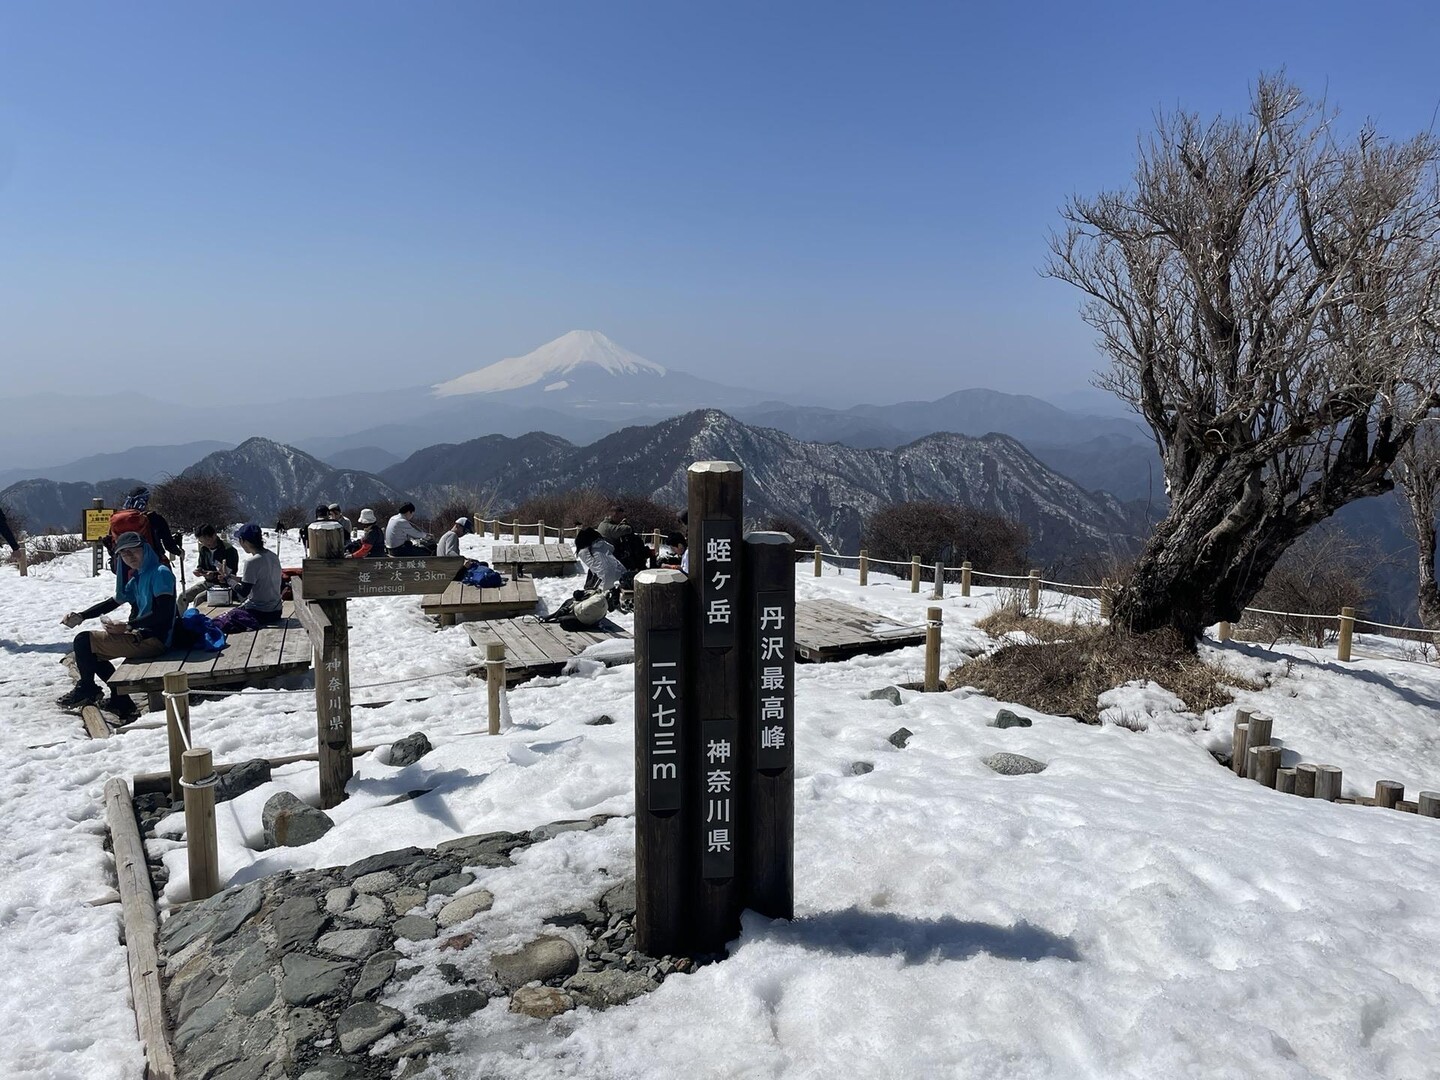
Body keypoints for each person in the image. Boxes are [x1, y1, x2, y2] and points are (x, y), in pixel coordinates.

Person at [58, 531, 176, 715]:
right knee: (90, 652)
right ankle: (119, 699)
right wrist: (81, 615)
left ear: (145, 549)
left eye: (133, 551)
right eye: (124, 553)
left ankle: (88, 689)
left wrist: (129, 627)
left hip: (154, 640)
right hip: (144, 636)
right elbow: (113, 602)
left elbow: (164, 614)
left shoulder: (160, 573)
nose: (129, 556)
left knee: (84, 642)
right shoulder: (139, 575)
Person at [230, 522, 283, 624]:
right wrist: (237, 579)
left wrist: (228, 580)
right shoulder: (273, 556)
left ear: (243, 540)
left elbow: (244, 591)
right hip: (276, 611)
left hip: (258, 613)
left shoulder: (251, 562)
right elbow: (262, 580)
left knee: (220, 621)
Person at [180, 524, 240, 606]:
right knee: (183, 596)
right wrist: (199, 570)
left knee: (199, 599)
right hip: (207, 583)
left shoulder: (228, 550)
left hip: (223, 586)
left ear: (214, 535)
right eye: (201, 541)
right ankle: (180, 618)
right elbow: (201, 565)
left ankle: (198, 618)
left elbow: (231, 572)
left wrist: (214, 575)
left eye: (207, 540)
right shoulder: (204, 550)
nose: (205, 543)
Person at [573, 526, 627, 593]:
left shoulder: (583, 552)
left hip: (606, 582)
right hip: (622, 575)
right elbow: (612, 548)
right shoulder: (602, 544)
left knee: (593, 574)